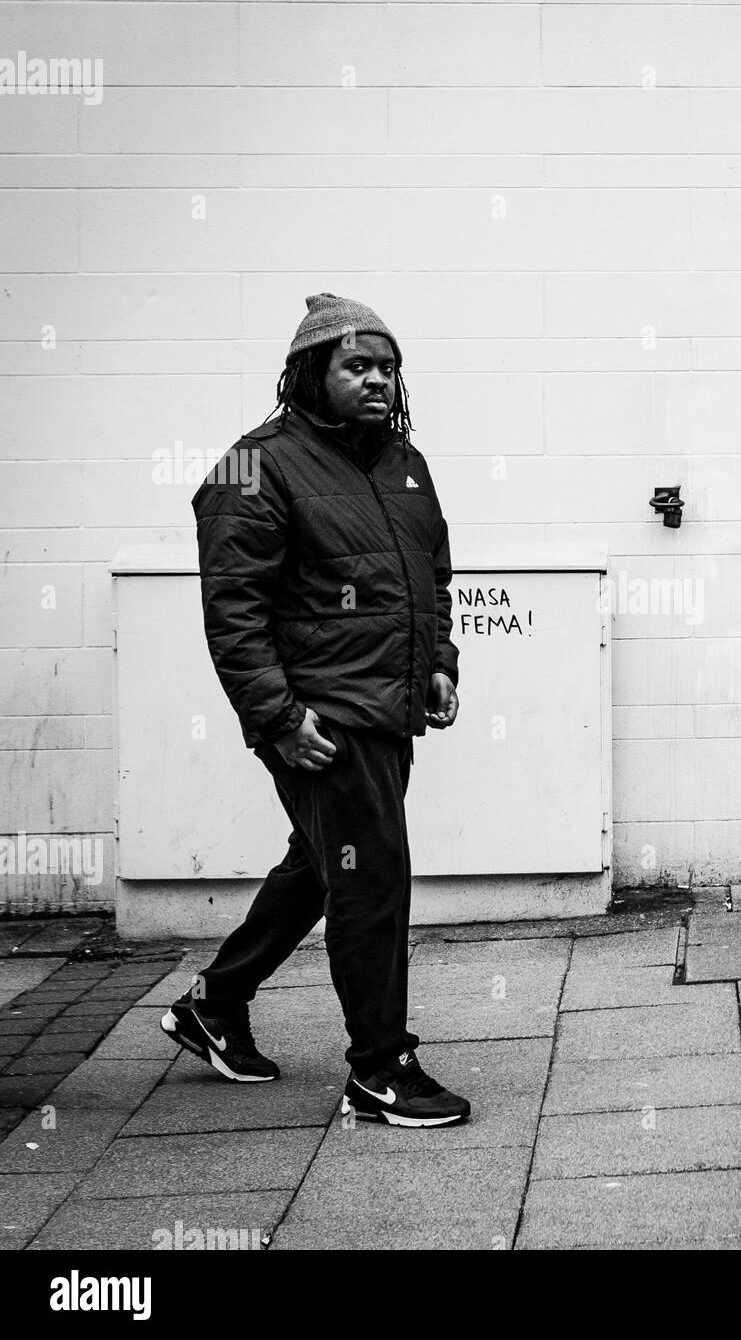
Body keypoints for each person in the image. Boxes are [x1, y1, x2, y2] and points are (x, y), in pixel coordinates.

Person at [161, 293, 470, 1128]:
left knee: (324, 864)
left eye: (387, 366)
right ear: (311, 372)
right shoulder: (252, 466)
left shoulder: (402, 462)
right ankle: (379, 1071)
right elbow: (233, 610)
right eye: (357, 366)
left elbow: (432, 575)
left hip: (388, 706)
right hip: (320, 719)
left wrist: (438, 662)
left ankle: (214, 1003)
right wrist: (277, 718)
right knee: (371, 882)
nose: (377, 379)